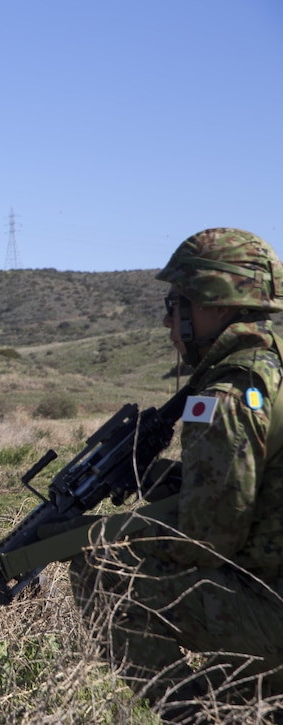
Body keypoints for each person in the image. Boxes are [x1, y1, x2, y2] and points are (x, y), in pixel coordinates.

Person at [67, 228, 283, 715]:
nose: (168, 320)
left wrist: (97, 534)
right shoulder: (270, 368)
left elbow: (207, 539)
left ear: (212, 303)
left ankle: (189, 714)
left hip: (274, 611)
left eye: (174, 304)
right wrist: (167, 479)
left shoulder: (226, 396)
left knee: (101, 567)